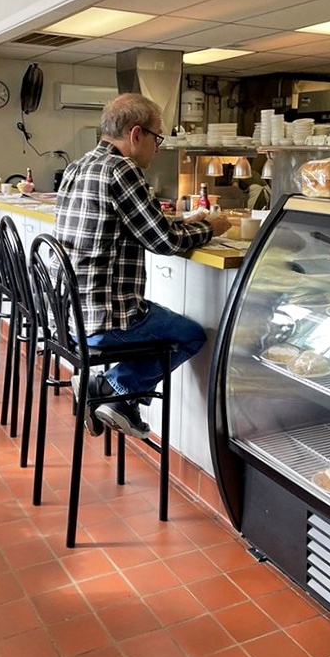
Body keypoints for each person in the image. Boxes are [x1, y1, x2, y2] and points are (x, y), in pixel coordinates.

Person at [55, 92, 231, 439]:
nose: (158, 147)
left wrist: (185, 221)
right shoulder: (122, 169)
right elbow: (164, 241)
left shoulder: (79, 165)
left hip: (71, 315)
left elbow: (146, 224)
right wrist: (211, 227)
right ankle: (113, 390)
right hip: (107, 319)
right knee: (192, 336)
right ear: (136, 135)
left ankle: (102, 388)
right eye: (157, 137)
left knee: (168, 324)